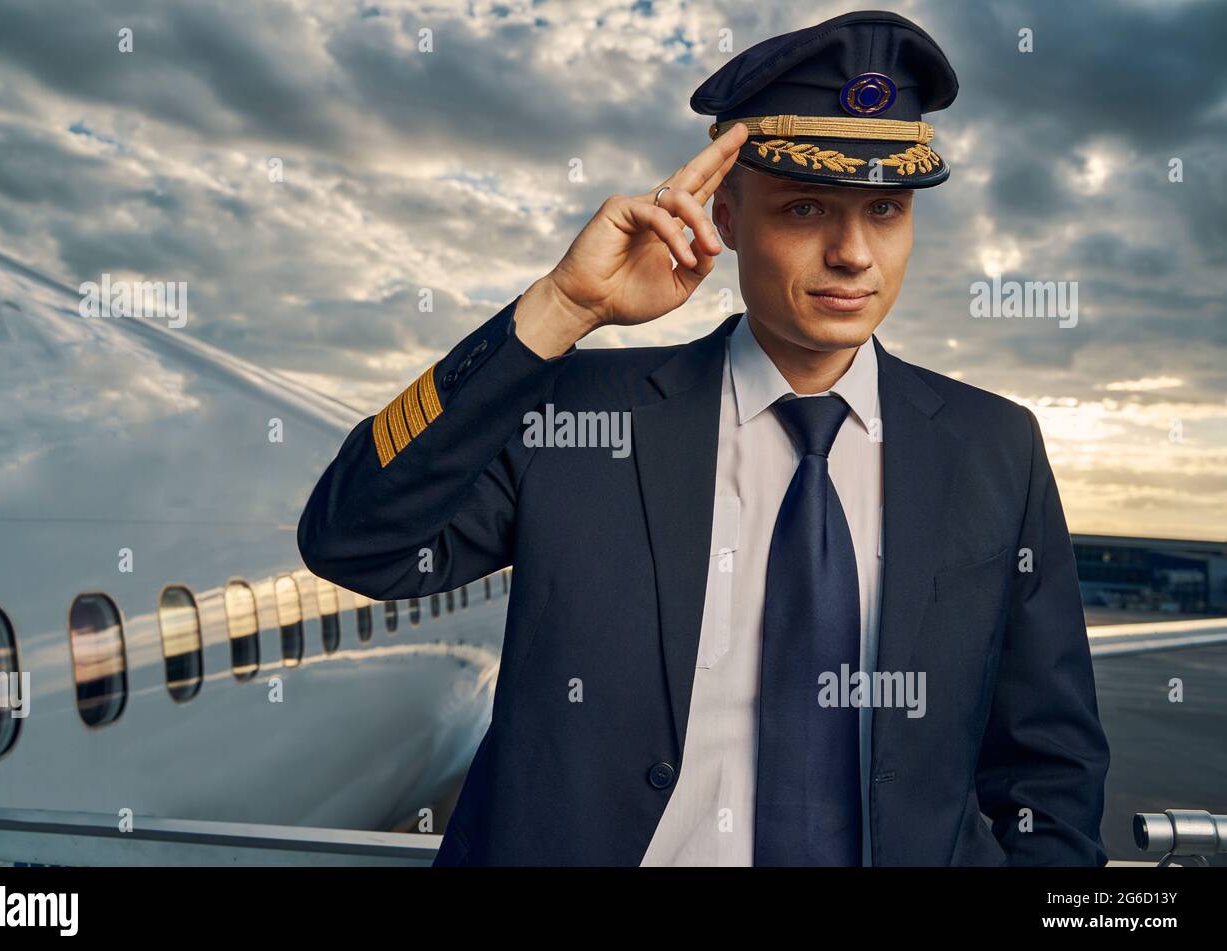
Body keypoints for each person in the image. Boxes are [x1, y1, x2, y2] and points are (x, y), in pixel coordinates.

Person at [297, 10, 1109, 866]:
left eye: (884, 210)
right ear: (723, 216)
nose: (853, 254)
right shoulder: (580, 416)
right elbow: (358, 544)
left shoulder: (994, 446)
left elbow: (1047, 762)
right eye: (805, 208)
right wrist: (561, 310)